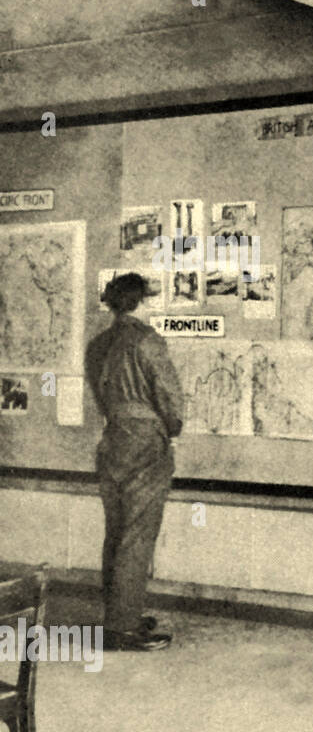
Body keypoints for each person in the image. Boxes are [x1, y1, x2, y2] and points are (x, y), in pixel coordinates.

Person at [84, 273, 180, 651]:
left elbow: (101, 396)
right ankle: (122, 628)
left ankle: (119, 613)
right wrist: (168, 429)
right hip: (144, 444)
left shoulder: (97, 345)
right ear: (140, 301)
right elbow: (170, 398)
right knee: (137, 536)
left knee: (117, 533)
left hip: (112, 442)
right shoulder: (147, 340)